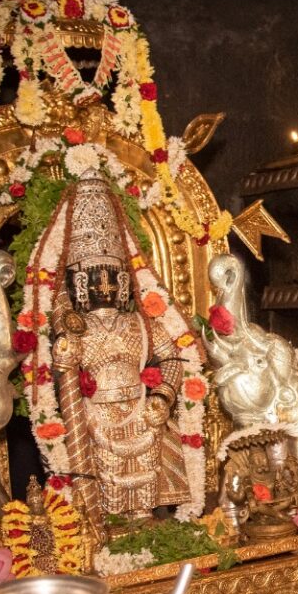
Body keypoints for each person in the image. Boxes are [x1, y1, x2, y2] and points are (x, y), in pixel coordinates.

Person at [44, 178, 194, 523]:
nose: (107, 285)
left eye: (114, 277)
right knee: (103, 477)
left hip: (141, 411)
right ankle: (107, 524)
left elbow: (171, 356)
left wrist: (163, 395)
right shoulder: (74, 328)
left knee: (146, 476)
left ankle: (143, 518)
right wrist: (64, 355)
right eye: (97, 278)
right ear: (80, 284)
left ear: (126, 282)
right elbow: (62, 378)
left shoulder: (141, 323)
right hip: (95, 417)